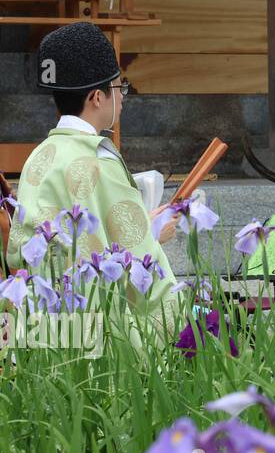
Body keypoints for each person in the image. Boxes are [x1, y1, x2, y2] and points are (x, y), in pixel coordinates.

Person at [5, 22, 179, 295]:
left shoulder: (37, 157)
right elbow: (128, 261)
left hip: (49, 316)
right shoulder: (101, 160)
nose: (122, 96)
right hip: (94, 324)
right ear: (98, 97)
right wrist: (153, 233)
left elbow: (27, 251)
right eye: (119, 86)